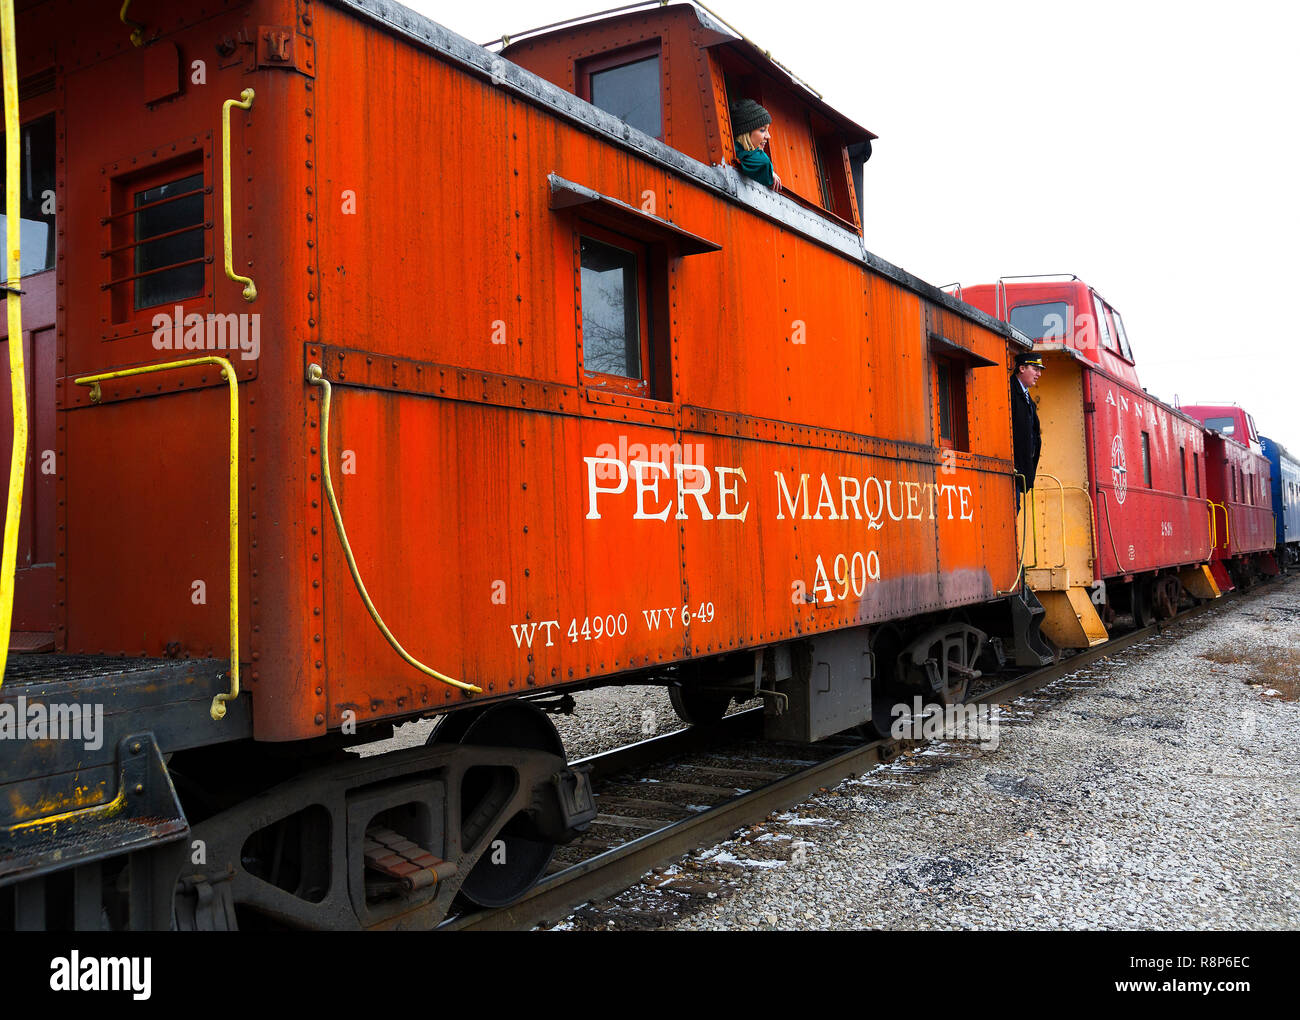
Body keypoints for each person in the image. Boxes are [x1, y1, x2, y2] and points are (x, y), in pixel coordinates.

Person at [1011, 352, 1044, 512]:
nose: (1039, 374)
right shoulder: (1010, 391)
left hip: (1021, 471)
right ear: (1022, 368)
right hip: (1013, 468)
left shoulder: (1026, 397)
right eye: (1035, 368)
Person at [730, 98, 782, 192]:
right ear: (745, 133)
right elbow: (764, 163)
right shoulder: (738, 151)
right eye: (762, 130)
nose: (768, 136)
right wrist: (770, 172)